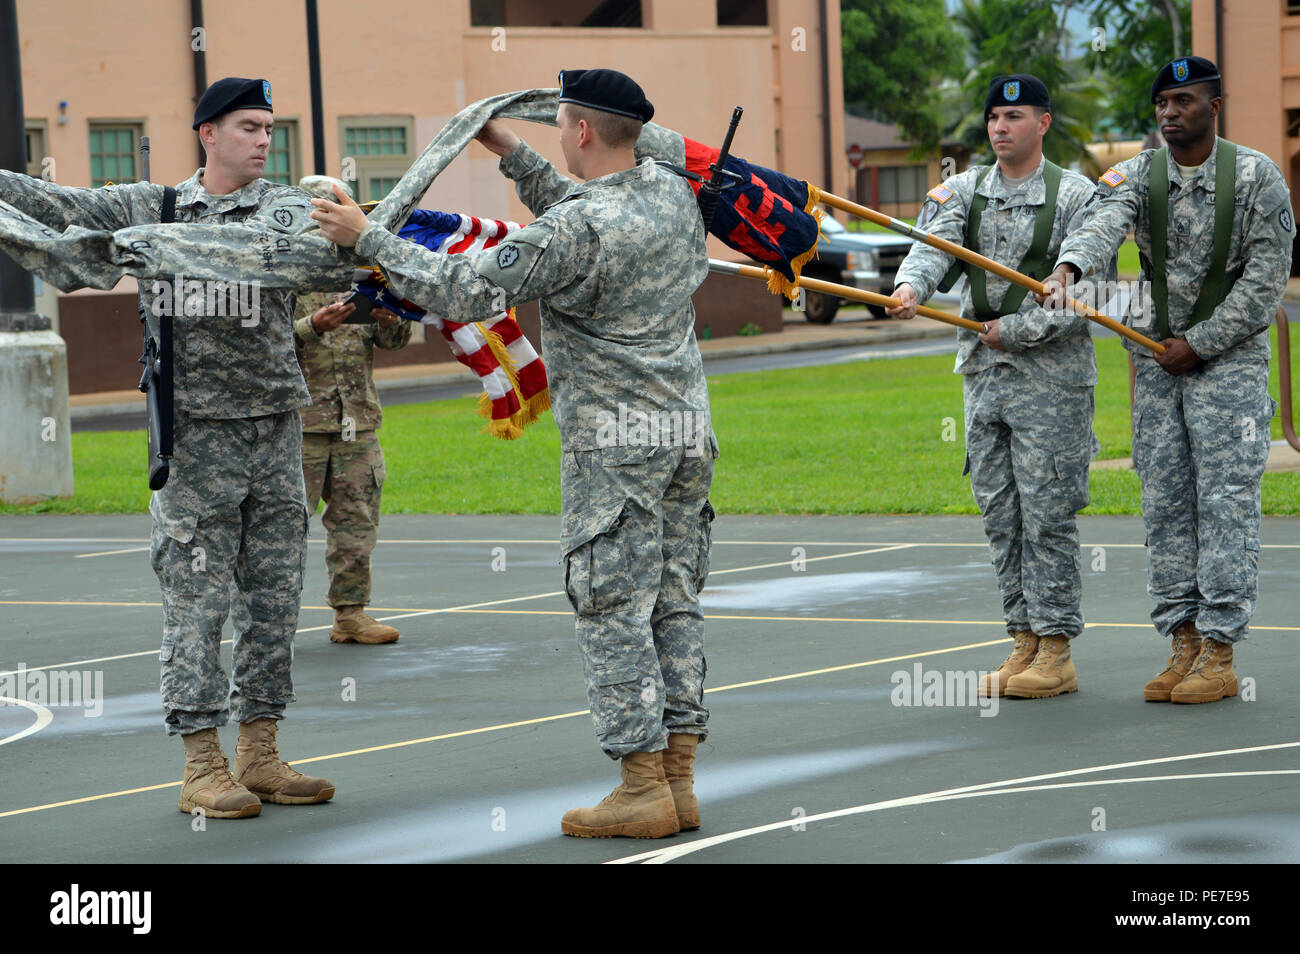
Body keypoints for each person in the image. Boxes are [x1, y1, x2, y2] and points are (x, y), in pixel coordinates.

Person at [313, 68, 715, 839]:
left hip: (615, 443)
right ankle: (679, 780)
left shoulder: (578, 227)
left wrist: (367, 238)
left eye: (559, 124)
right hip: (685, 431)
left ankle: (639, 785)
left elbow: (464, 287)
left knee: (611, 606)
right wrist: (511, 153)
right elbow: (582, 218)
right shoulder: (670, 191)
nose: (557, 136)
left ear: (582, 132)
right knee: (673, 599)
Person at [0, 77, 333, 818]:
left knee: (276, 599)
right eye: (248, 126)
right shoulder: (151, 209)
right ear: (207, 133)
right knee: (198, 601)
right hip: (195, 437)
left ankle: (261, 750)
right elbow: (58, 209)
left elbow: (330, 254)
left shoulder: (287, 210)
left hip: (275, 426)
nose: (263, 139)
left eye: (270, 128)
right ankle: (202, 762)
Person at [1040, 56, 1293, 704]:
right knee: (1165, 504)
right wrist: (1070, 267)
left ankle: (1220, 649)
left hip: (1228, 365)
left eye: (1183, 100)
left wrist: (1201, 343)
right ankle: (1181, 640)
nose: (1169, 112)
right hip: (1156, 361)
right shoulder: (1137, 174)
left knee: (1225, 504)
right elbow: (1100, 224)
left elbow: (1266, 283)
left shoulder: (1258, 178)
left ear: (1215, 105)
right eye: (1161, 103)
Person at [888, 74, 1103, 699]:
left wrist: (1017, 328)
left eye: (1014, 115)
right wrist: (911, 289)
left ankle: (1057, 648)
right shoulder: (963, 190)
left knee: (1048, 512)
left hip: (1053, 381)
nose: (1000, 127)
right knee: (1002, 514)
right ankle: (1024, 641)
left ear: (1043, 122)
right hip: (983, 378)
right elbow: (932, 248)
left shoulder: (1077, 196)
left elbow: (1080, 292)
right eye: (993, 118)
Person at [293, 176, 410, 645]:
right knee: (279, 531)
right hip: (299, 423)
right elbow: (262, 341)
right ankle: (267, 624)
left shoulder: (362, 268)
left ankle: (350, 615)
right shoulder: (287, 271)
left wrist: (391, 317)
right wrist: (310, 326)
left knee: (356, 525)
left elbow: (393, 342)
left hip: (355, 421)